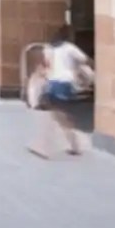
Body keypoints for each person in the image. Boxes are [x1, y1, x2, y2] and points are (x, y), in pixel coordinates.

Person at [29, 28, 92, 159]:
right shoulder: (69, 48)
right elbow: (85, 59)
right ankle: (72, 146)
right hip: (65, 84)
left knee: (58, 115)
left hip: (52, 83)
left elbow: (46, 66)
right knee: (61, 115)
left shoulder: (48, 49)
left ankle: (47, 146)